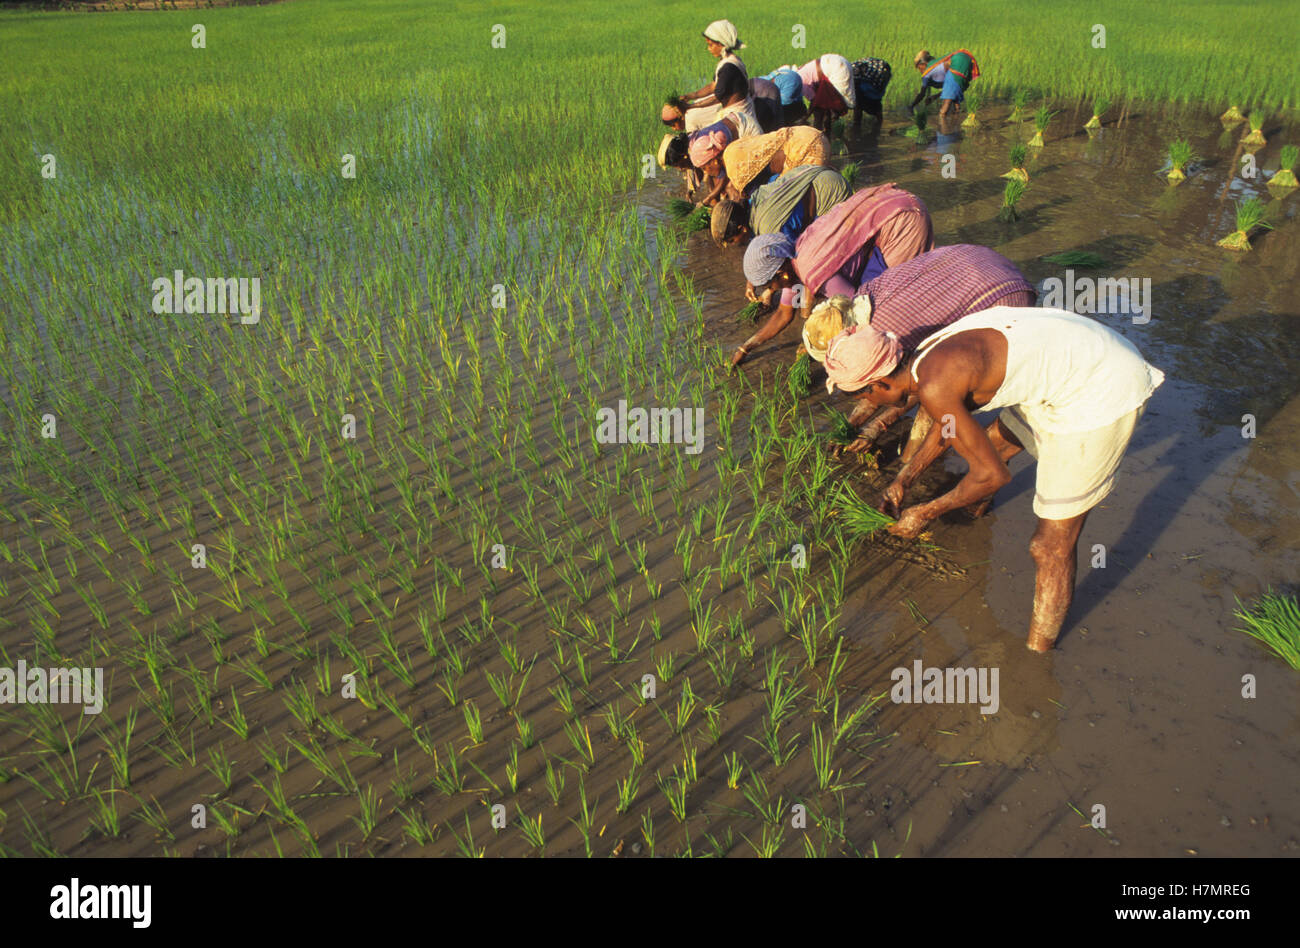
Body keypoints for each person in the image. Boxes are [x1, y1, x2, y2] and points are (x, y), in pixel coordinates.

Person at [825, 306, 1164, 652]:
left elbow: (993, 476)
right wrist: (905, 478)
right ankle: (974, 513)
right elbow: (949, 423)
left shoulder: (936, 383)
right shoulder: (926, 357)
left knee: (1049, 546)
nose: (869, 402)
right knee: (992, 446)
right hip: (1075, 360)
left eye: (865, 395)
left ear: (879, 383)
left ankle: (1037, 655)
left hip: (1100, 389)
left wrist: (924, 513)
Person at [803, 244, 1037, 456]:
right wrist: (850, 426)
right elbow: (877, 383)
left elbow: (916, 386)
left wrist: (877, 428)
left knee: (945, 391)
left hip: (1003, 295)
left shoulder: (892, 332)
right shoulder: (862, 301)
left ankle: (912, 459)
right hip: (973, 257)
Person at [733, 183, 932, 365]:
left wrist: (820, 346)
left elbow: (859, 308)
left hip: (903, 219)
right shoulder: (794, 256)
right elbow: (784, 314)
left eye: (769, 286)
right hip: (887, 204)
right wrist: (747, 347)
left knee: (883, 306)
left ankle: (911, 356)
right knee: (872, 285)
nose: (771, 291)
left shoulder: (812, 271)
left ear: (780, 274)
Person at [711, 164, 849, 246]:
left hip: (829, 193)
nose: (735, 244)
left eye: (732, 241)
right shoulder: (753, 200)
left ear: (743, 229)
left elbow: (795, 253)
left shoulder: (768, 228)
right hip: (819, 175)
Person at [656, 110, 762, 204]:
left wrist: (709, 198)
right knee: (717, 182)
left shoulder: (697, 148)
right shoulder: (690, 146)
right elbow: (702, 172)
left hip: (745, 129)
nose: (680, 169)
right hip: (732, 125)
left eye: (678, 165)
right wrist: (691, 191)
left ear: (683, 156)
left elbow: (725, 173)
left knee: (734, 187)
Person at [678, 20, 759, 132]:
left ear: (721, 44)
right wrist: (691, 96)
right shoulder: (726, 61)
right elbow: (713, 86)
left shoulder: (728, 67)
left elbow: (717, 97)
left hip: (738, 116)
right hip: (732, 112)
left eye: (710, 45)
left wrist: (691, 107)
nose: (709, 49)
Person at [720, 125, 831, 199]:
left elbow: (754, 197)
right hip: (803, 133)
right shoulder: (732, 151)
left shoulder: (739, 175)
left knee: (800, 196)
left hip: (806, 149)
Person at [763, 54, 857, 131]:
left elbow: (814, 103)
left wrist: (804, 118)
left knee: (824, 107)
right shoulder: (799, 73)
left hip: (834, 68)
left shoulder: (799, 82)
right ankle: (831, 130)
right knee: (833, 104)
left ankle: (821, 133)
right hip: (835, 60)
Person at [909, 49, 979, 116]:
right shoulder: (936, 64)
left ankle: (944, 127)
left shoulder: (926, 73)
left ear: (923, 64)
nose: (920, 71)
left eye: (919, 68)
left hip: (957, 64)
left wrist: (912, 105)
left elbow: (922, 94)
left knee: (943, 111)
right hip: (965, 59)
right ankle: (956, 123)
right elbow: (950, 87)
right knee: (955, 101)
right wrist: (934, 97)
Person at [851, 57, 893, 130]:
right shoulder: (855, 74)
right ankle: (860, 126)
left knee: (864, 106)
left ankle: (860, 126)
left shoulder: (875, 81)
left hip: (874, 81)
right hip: (865, 79)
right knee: (860, 105)